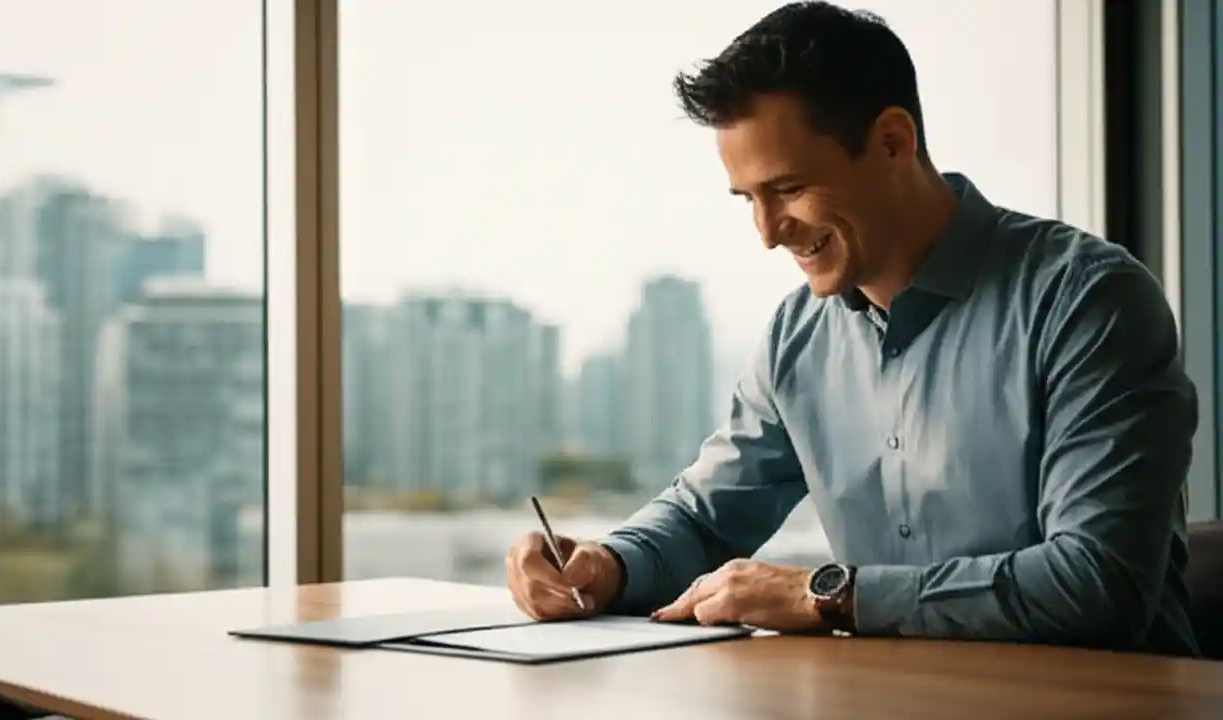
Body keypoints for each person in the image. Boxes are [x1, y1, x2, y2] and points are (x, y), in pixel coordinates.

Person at [505, 0, 1201, 656]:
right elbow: (705, 517)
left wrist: (828, 594)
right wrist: (608, 564)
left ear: (894, 141)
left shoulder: (1087, 302)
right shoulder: (796, 336)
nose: (768, 234)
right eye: (748, 199)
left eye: (788, 190)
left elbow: (1098, 584)